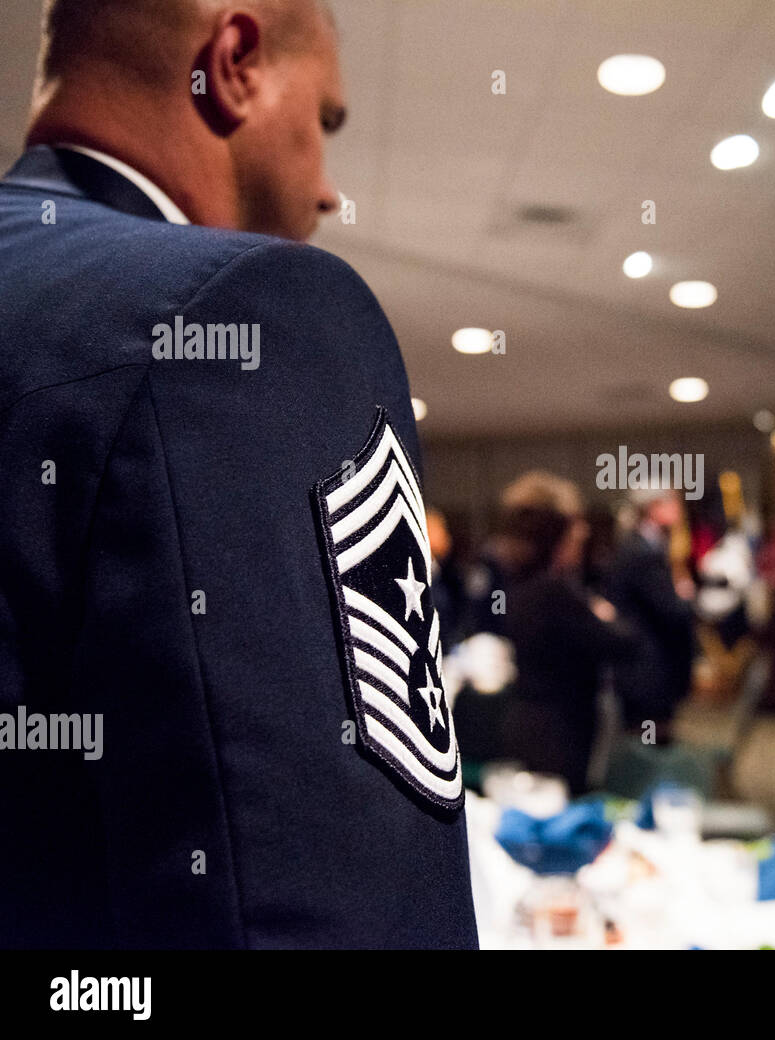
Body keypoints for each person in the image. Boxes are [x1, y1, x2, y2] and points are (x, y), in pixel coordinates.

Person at [0, 0, 475, 947]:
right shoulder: (246, 318)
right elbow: (342, 917)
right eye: (326, 120)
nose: (332, 188)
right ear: (238, 61)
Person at [497, 475, 637, 794]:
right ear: (556, 534)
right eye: (576, 525)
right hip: (557, 734)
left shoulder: (518, 583)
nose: (584, 532)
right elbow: (623, 644)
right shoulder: (555, 591)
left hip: (527, 723)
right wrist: (607, 614)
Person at [606, 487, 697, 742]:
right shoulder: (643, 552)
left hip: (644, 667)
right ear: (654, 507)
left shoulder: (645, 545)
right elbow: (672, 611)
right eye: (673, 503)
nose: (679, 510)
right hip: (648, 670)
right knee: (648, 748)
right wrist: (687, 598)